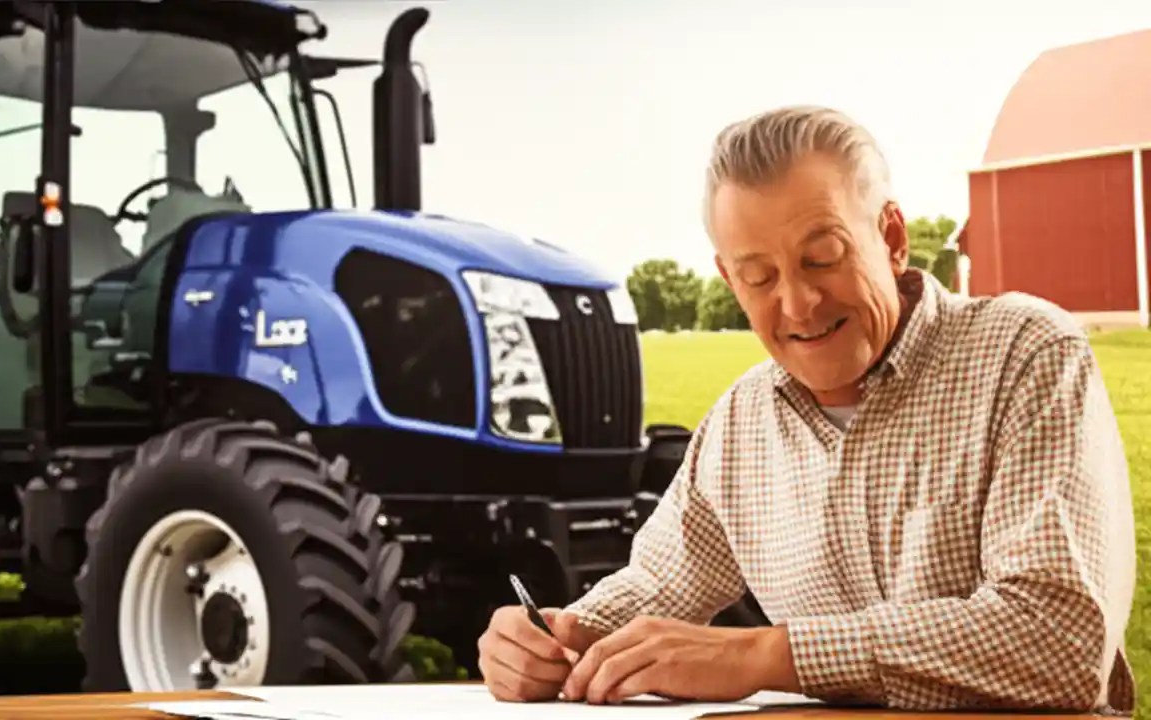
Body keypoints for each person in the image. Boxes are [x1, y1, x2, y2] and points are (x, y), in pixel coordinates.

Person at [476, 105, 1137, 714]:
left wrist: (768, 655)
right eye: (759, 277)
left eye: (822, 258)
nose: (798, 305)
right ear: (730, 280)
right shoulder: (741, 422)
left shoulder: (1023, 352)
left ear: (892, 236)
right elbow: (656, 585)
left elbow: (1061, 637)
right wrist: (557, 637)